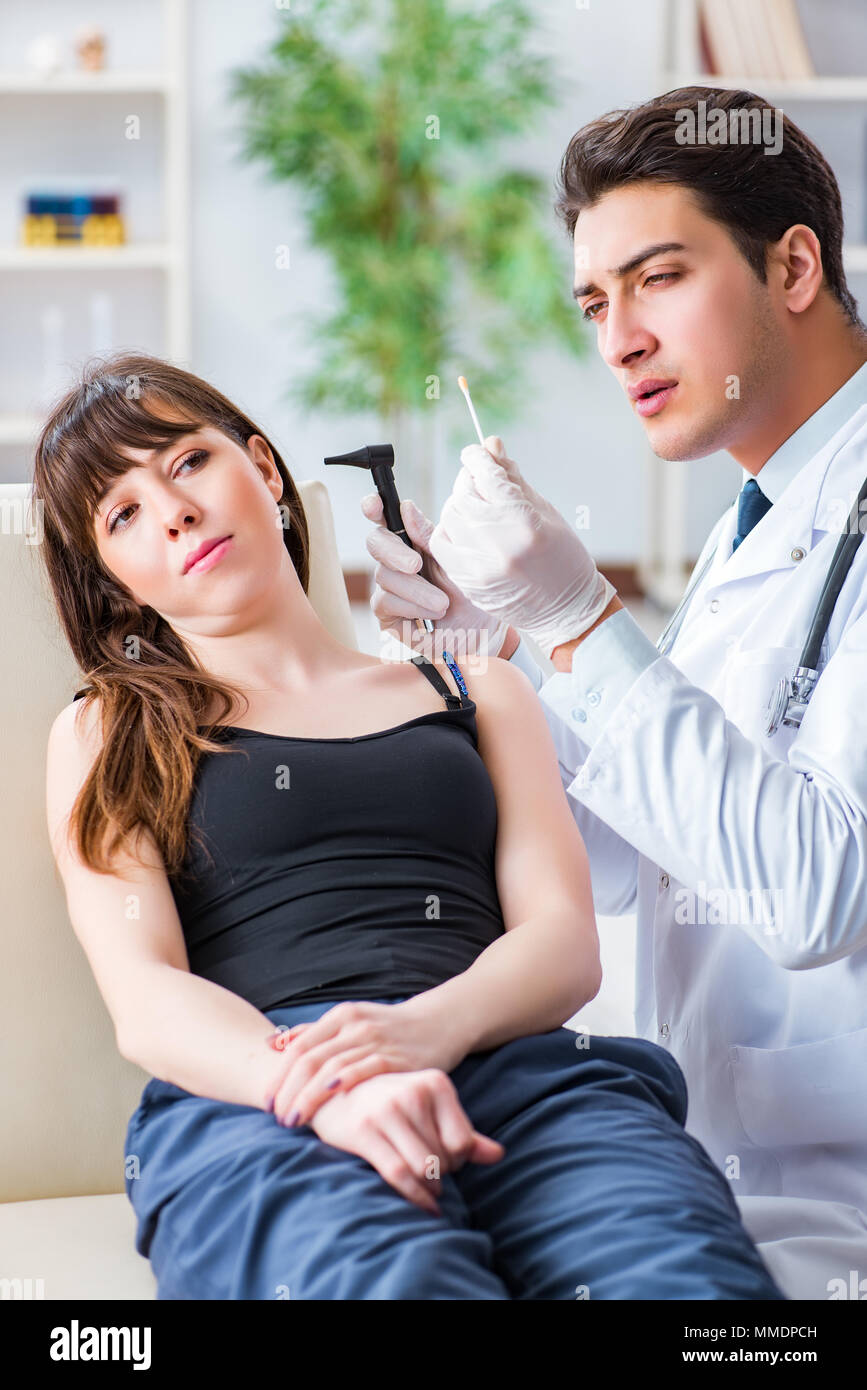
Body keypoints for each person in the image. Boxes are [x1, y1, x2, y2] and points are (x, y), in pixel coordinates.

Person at [39, 352, 784, 1300]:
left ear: (264, 471)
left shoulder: (476, 689)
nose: (174, 510)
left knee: (691, 1293)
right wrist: (331, 1085)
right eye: (123, 514)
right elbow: (144, 996)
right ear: (114, 581)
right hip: (270, 1095)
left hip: (525, 1072)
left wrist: (420, 1037)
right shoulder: (108, 731)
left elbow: (563, 946)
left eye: (187, 463)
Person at [364, 86, 867, 1302]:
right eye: (596, 300)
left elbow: (812, 886)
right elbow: (653, 854)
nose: (618, 339)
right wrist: (496, 655)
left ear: (793, 263)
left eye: (658, 278)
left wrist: (578, 620)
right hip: (723, 1165)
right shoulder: (758, 522)